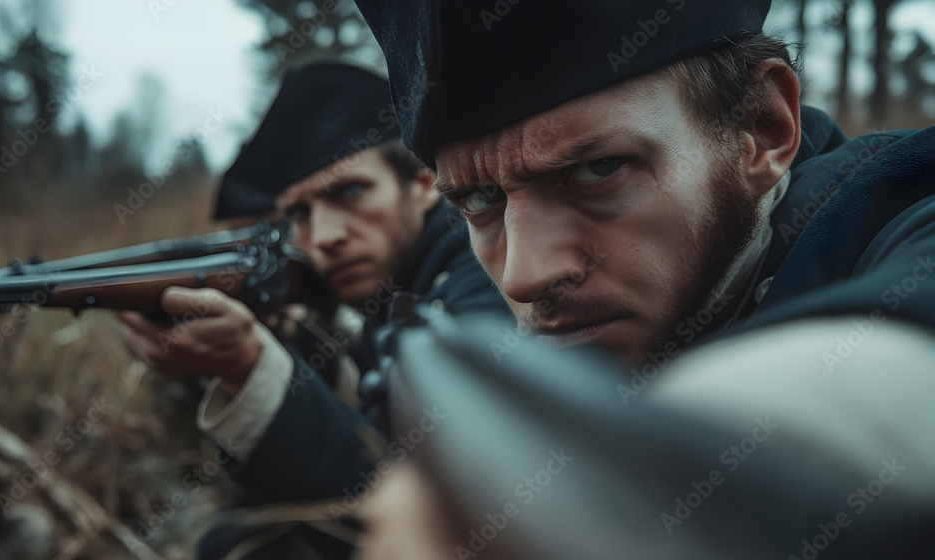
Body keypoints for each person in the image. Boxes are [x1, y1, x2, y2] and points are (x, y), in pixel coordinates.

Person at [348, 0, 935, 557]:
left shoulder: (907, 209)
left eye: (596, 170)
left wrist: (582, 488)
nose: (526, 274)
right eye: (481, 197)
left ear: (761, 127)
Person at [117, 61, 507, 558]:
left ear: (423, 182)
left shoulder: (484, 273)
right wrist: (287, 336)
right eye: (300, 213)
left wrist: (251, 367)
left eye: (350, 192)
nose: (324, 237)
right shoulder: (401, 282)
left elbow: (435, 501)